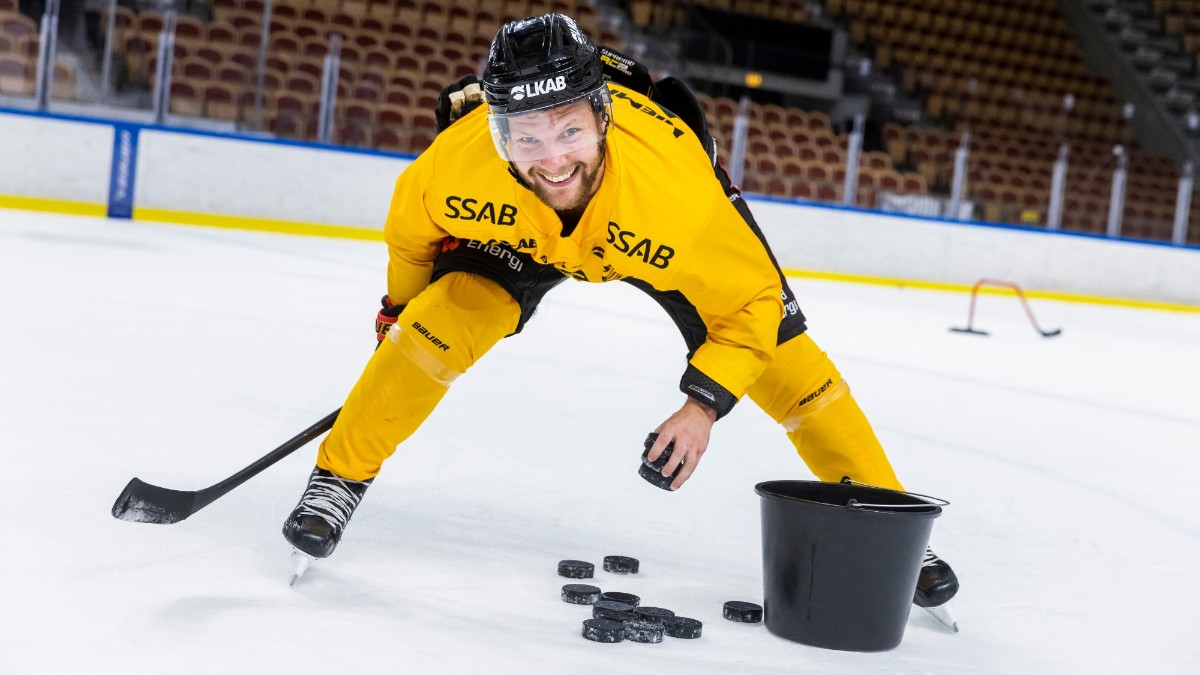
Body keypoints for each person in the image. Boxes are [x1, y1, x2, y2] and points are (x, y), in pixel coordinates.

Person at [282, 13, 958, 611]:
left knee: (795, 373)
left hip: (650, 230)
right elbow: (410, 234)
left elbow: (754, 302)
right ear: (496, 131)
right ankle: (335, 484)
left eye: (570, 130)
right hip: (525, 237)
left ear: (602, 115)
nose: (551, 161)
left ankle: (892, 522)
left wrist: (703, 405)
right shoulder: (456, 164)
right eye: (526, 137)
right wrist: (397, 313)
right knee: (434, 325)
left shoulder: (680, 195)